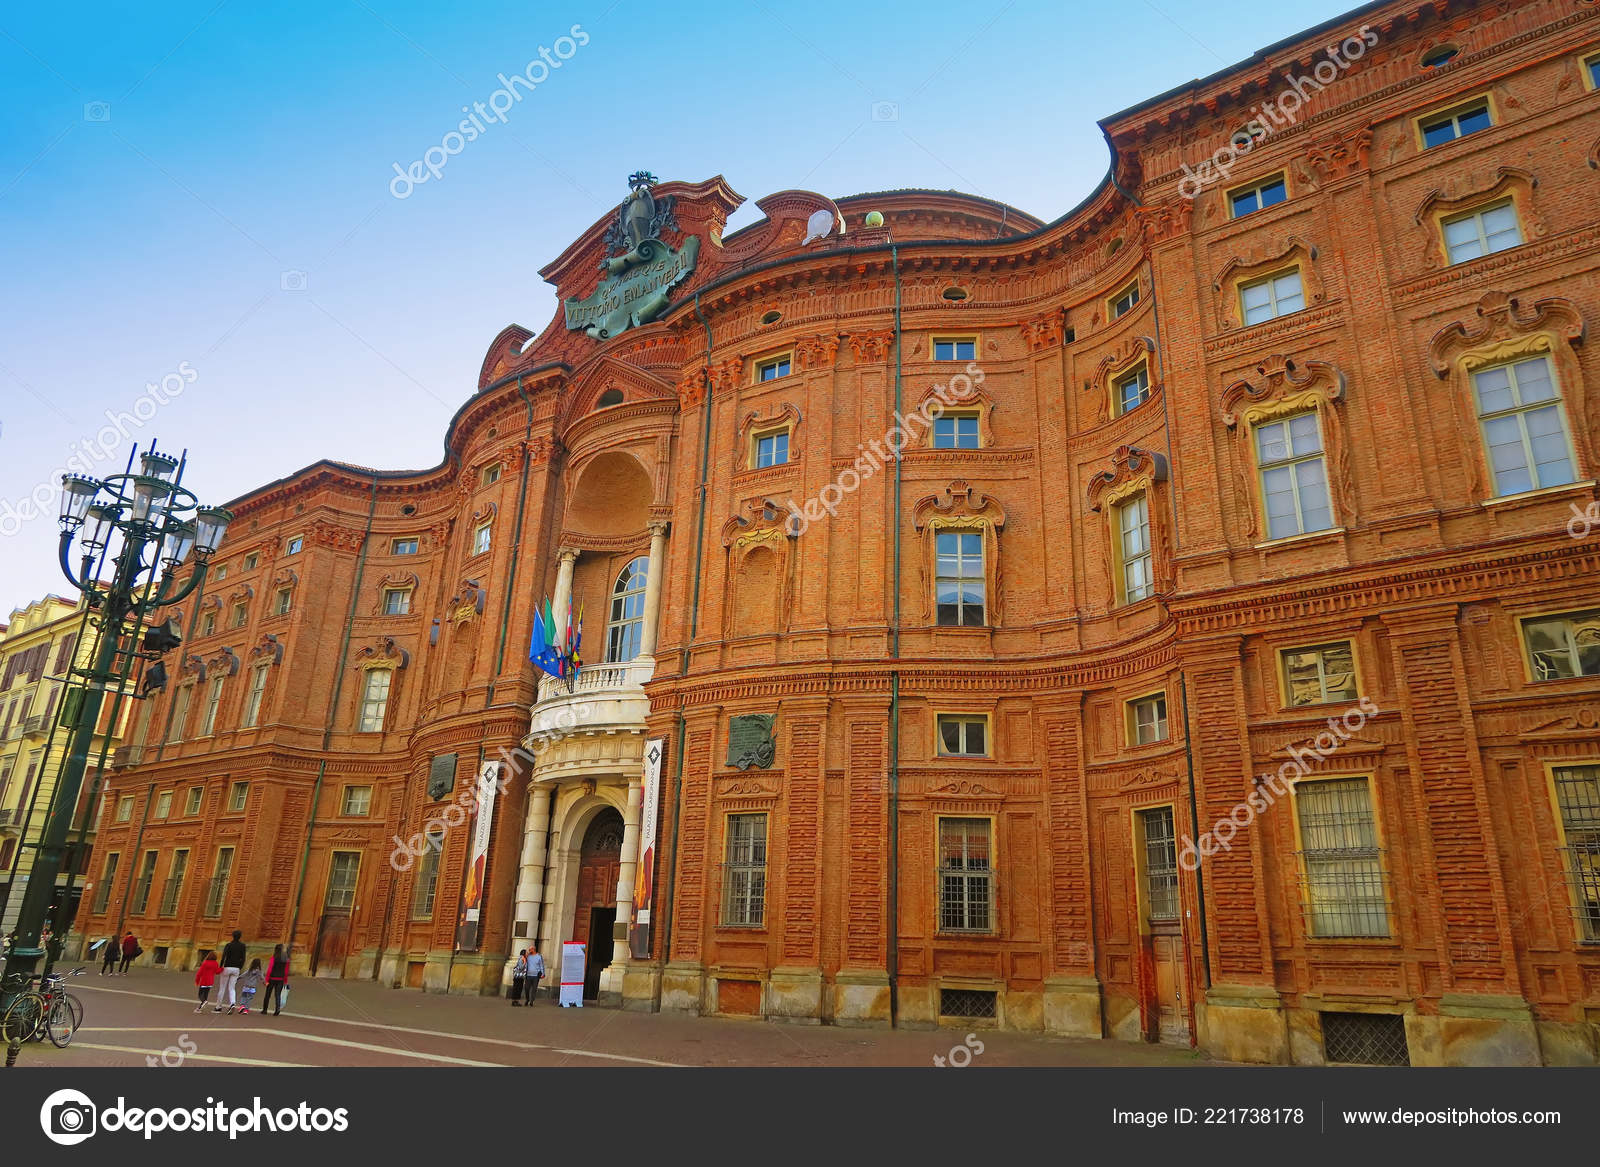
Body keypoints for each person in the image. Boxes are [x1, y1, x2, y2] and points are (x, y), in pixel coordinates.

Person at [216, 929, 247, 1013]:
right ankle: (232, 1003)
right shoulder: (243, 946)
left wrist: (220, 966)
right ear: (240, 937)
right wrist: (240, 967)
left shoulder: (228, 945)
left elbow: (224, 957)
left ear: (233, 936)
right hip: (236, 968)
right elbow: (243, 958)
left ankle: (218, 1006)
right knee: (232, 988)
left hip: (227, 967)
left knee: (222, 988)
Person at [263, 944, 289, 1016]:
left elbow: (270, 969)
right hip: (280, 979)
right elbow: (286, 971)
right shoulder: (286, 959)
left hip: (272, 978)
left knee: (267, 994)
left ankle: (265, 1010)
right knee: (277, 995)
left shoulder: (273, 958)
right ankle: (277, 1009)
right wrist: (285, 980)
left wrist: (266, 979)